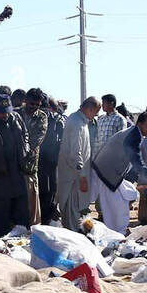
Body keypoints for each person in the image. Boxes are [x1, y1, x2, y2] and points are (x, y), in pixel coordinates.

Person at [0, 92, 33, 237]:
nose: (4, 115)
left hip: (18, 171)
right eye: (1, 112)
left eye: (7, 112)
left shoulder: (16, 118)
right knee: (0, 214)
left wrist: (25, 149)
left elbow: (25, 135)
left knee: (21, 211)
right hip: (0, 174)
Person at [57, 95, 96, 233]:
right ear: (90, 109)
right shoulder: (76, 123)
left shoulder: (80, 121)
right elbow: (75, 152)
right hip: (73, 174)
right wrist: (82, 176)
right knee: (71, 207)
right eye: (95, 112)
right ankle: (72, 234)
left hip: (75, 174)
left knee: (74, 207)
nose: (95, 116)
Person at [19, 89, 49, 226]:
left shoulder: (42, 117)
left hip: (29, 167)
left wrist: (21, 150)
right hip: (12, 167)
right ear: (25, 100)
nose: (34, 107)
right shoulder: (15, 113)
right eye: (31, 104)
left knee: (31, 204)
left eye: (37, 105)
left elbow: (37, 139)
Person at [38, 95, 65, 223]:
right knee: (49, 197)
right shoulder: (58, 119)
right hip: (52, 165)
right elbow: (62, 142)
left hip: (37, 165)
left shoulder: (32, 116)